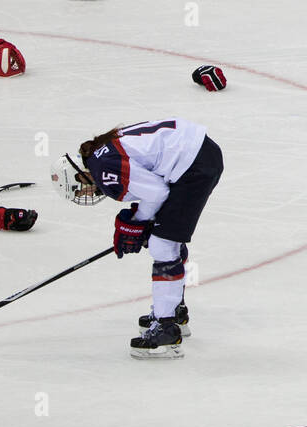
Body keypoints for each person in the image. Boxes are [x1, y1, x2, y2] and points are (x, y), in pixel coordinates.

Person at [50, 118, 223, 358]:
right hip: (198, 154)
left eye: (80, 188)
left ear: (80, 175)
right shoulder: (101, 153)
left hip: (194, 165)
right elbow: (154, 186)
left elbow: (156, 193)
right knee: (165, 237)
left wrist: (136, 224)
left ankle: (166, 330)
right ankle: (173, 312)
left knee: (163, 244)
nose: (86, 193)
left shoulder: (103, 168)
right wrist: (141, 222)